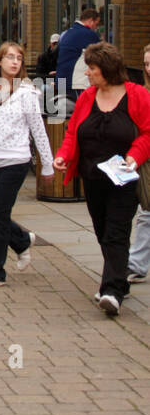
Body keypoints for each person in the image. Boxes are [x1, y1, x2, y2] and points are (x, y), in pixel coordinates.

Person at [54, 41, 150, 315]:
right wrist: (63, 155)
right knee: (101, 232)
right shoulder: (87, 97)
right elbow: (73, 132)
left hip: (124, 180)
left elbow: (148, 132)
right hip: (93, 178)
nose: (87, 73)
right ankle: (119, 281)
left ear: (106, 69)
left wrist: (134, 156)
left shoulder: (137, 95)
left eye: (91, 68)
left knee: (116, 233)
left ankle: (111, 291)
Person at [0, 43, 54, 289]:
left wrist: (46, 165)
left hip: (16, 160)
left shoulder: (27, 94)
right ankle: (22, 241)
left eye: (19, 58)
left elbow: (39, 131)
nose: (15, 62)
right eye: (10, 57)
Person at [127, 43, 150, 284]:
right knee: (146, 212)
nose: (149, 68)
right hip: (147, 161)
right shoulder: (144, 92)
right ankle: (137, 263)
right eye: (145, 64)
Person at [55, 7, 101, 101]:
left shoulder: (66, 33)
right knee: (81, 112)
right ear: (91, 21)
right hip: (77, 83)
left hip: (61, 80)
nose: (96, 28)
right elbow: (100, 56)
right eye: (96, 24)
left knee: (64, 112)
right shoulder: (88, 34)